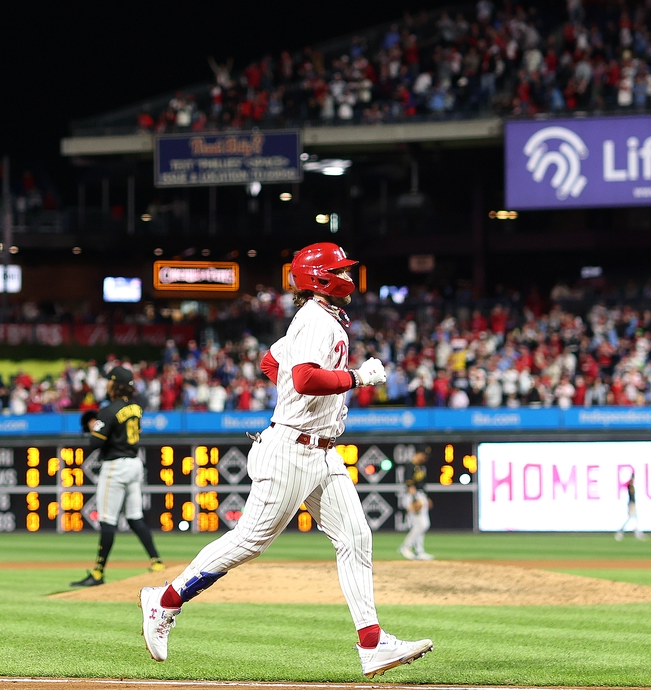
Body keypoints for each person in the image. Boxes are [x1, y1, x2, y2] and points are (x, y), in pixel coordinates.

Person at [140, 243, 433, 678]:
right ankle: (164, 602)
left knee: (356, 536)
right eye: (339, 270)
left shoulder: (321, 318)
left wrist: (294, 397)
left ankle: (372, 645)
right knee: (249, 542)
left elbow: (270, 362)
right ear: (319, 278)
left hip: (321, 451)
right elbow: (304, 377)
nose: (348, 276)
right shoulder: (315, 318)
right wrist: (356, 378)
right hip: (292, 450)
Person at [69, 365, 164, 586]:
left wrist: (94, 426)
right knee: (134, 517)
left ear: (115, 384)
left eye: (109, 381)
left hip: (115, 467)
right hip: (134, 463)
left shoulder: (109, 410)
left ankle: (98, 573)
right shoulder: (137, 407)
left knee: (107, 521)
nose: (107, 384)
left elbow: (94, 443)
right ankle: (157, 562)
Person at [397, 450, 433, 561]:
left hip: (421, 495)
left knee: (421, 525)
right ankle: (405, 547)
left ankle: (419, 551)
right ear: (418, 453)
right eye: (423, 455)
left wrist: (426, 498)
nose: (424, 458)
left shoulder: (419, 467)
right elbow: (410, 486)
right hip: (414, 496)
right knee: (422, 525)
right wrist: (414, 500)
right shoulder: (410, 466)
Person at [616, 473, 644, 540]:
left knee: (635, 518)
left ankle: (637, 533)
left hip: (632, 504)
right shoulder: (630, 486)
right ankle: (621, 532)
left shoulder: (631, 485)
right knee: (631, 518)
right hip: (631, 504)